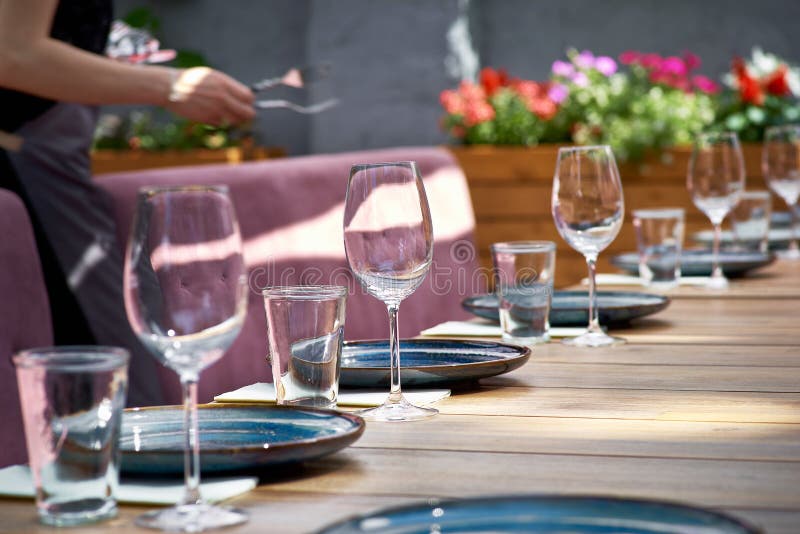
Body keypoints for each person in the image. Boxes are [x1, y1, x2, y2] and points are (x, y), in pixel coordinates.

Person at [0, 0, 255, 406]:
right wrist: (170, 86)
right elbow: (11, 52)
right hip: (23, 172)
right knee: (101, 373)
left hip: (52, 163)